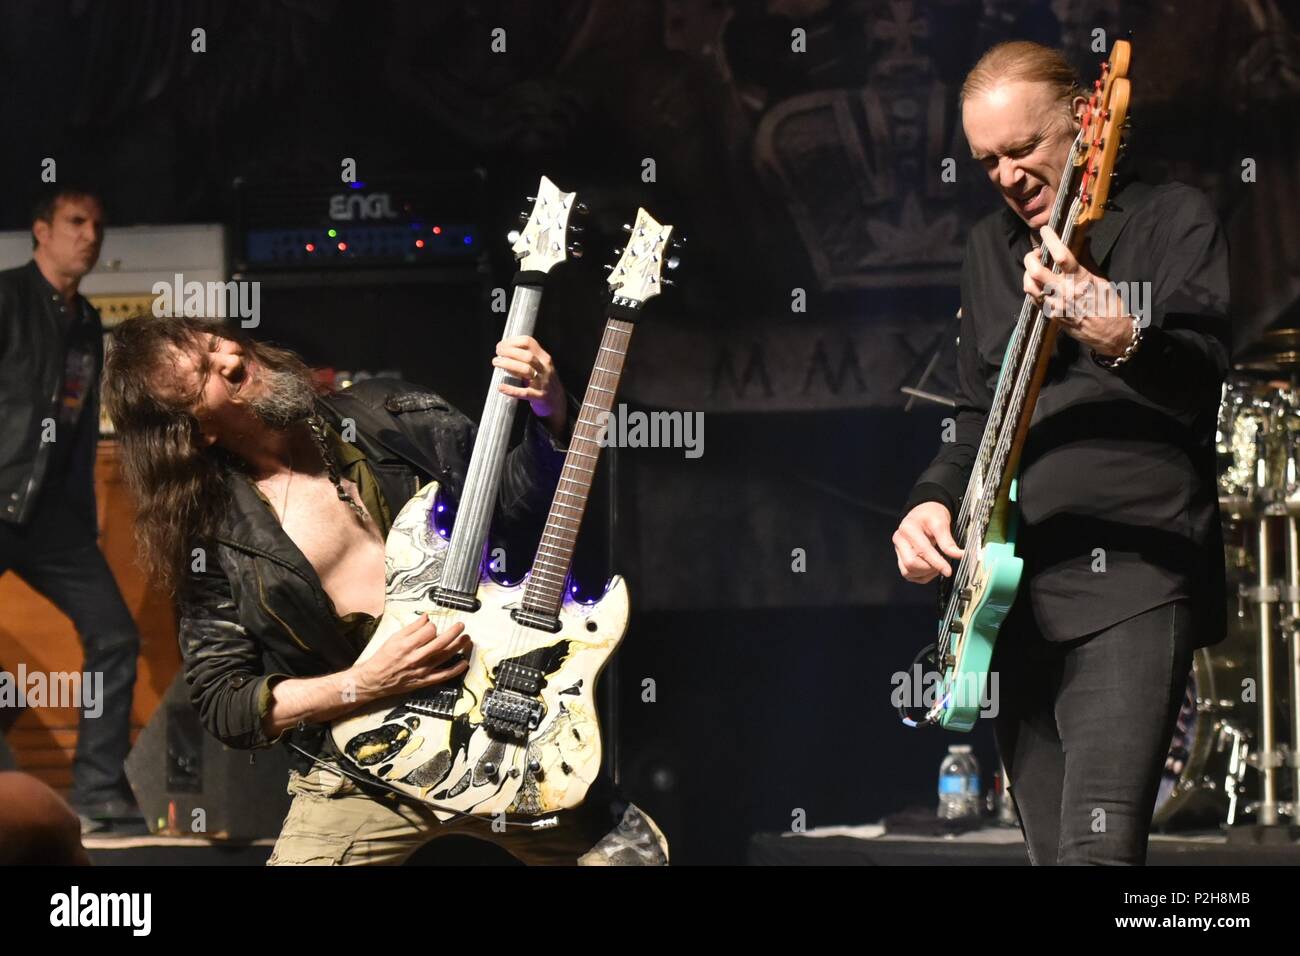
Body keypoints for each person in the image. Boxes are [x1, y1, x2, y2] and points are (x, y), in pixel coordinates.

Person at [103, 315, 668, 865]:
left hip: (507, 728)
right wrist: (361, 684)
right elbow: (227, 702)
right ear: (196, 430)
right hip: (362, 766)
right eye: (203, 373)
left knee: (631, 858)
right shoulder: (211, 533)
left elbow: (512, 515)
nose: (230, 358)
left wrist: (550, 415)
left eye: (215, 342)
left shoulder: (394, 414)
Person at [892, 41, 1230, 864]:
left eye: (1022, 150)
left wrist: (1124, 339)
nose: (1006, 176)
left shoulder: (1170, 218)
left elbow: (1201, 382)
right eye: (985, 162)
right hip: (1010, 598)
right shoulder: (987, 250)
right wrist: (930, 499)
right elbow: (977, 411)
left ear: (1086, 123)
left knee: (1098, 855)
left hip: (1134, 580)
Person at [0, 187, 143, 833]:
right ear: (41, 231)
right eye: (75, 222)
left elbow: (78, 426)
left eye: (98, 225)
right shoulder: (6, 297)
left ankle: (97, 792)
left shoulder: (86, 319)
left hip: (54, 517)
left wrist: (84, 513)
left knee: (115, 633)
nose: (89, 235)